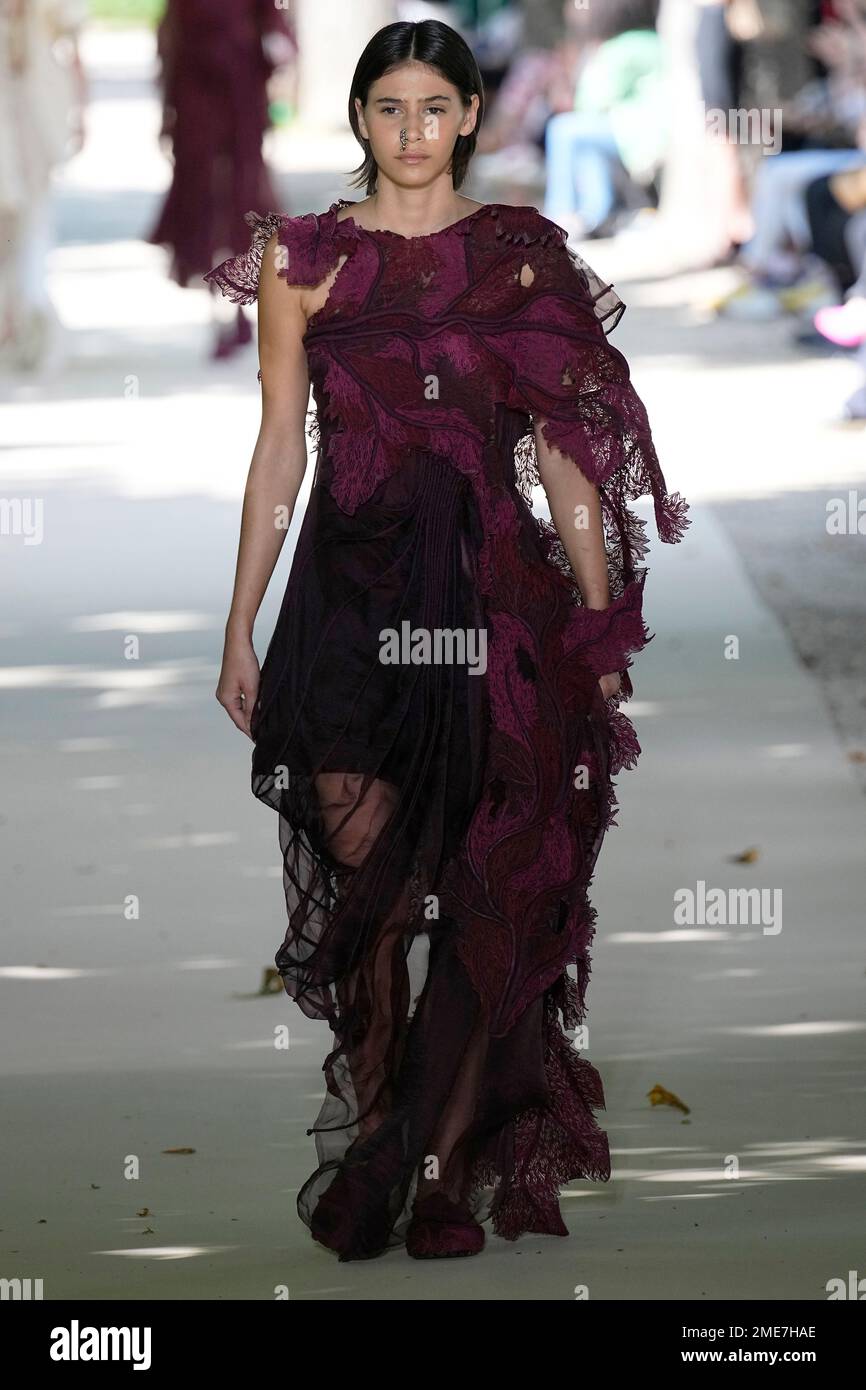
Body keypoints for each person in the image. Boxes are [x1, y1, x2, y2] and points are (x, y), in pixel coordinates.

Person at [206, 18, 689, 1263]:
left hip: (491, 606)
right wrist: (238, 615)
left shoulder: (519, 258)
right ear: (358, 119)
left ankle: (432, 1172)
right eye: (387, 108)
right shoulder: (300, 259)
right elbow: (277, 444)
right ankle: (381, 1135)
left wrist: (595, 615)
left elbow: (562, 454)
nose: (411, 132)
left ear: (470, 114)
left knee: (484, 886)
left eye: (435, 107)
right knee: (370, 890)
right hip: (346, 601)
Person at [147, 0, 296, 360]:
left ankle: (240, 306)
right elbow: (172, 38)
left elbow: (276, 29)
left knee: (241, 200)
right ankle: (223, 313)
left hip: (240, 95)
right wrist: (168, 111)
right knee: (207, 203)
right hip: (197, 97)